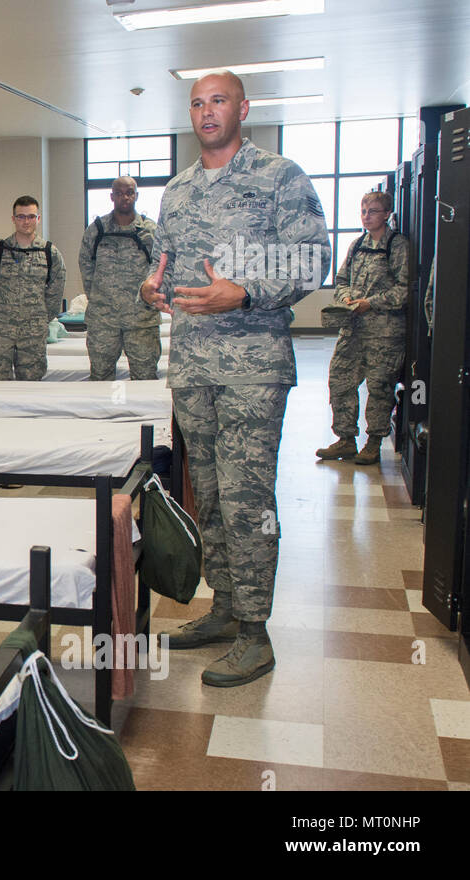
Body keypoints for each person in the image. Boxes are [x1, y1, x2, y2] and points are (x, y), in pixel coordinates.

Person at [140, 71, 330, 687]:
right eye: (197, 103)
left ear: (242, 108)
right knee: (212, 497)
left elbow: (311, 259)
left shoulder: (280, 177)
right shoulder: (176, 190)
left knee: (249, 499)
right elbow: (165, 265)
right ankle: (224, 607)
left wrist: (245, 292)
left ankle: (256, 631)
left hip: (253, 366)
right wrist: (153, 287)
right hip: (194, 365)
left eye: (218, 100)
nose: (206, 111)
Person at [316, 191, 410, 466]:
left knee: (379, 387)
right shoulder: (357, 245)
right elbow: (342, 279)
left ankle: (374, 442)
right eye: (363, 210)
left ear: (387, 214)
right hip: (353, 328)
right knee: (340, 379)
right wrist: (344, 297)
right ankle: (346, 439)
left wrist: (371, 302)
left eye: (373, 211)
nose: (366, 216)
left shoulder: (397, 246)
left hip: (385, 333)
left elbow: (403, 290)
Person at [79, 177, 161, 380]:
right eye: (119, 193)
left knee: (145, 377)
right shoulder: (97, 230)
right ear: (111, 196)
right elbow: (85, 265)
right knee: (100, 377)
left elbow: (161, 267)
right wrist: (98, 297)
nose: (125, 197)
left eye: (130, 192)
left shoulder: (150, 231)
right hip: (104, 320)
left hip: (142, 319)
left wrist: (151, 299)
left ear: (136, 195)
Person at [0, 196, 66, 380]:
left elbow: (56, 287)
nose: (26, 221)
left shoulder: (50, 252)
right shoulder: (0, 250)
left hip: (33, 330)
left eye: (31, 216)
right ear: (13, 219)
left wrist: (43, 315)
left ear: (38, 218)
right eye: (21, 217)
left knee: (31, 381)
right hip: (2, 327)